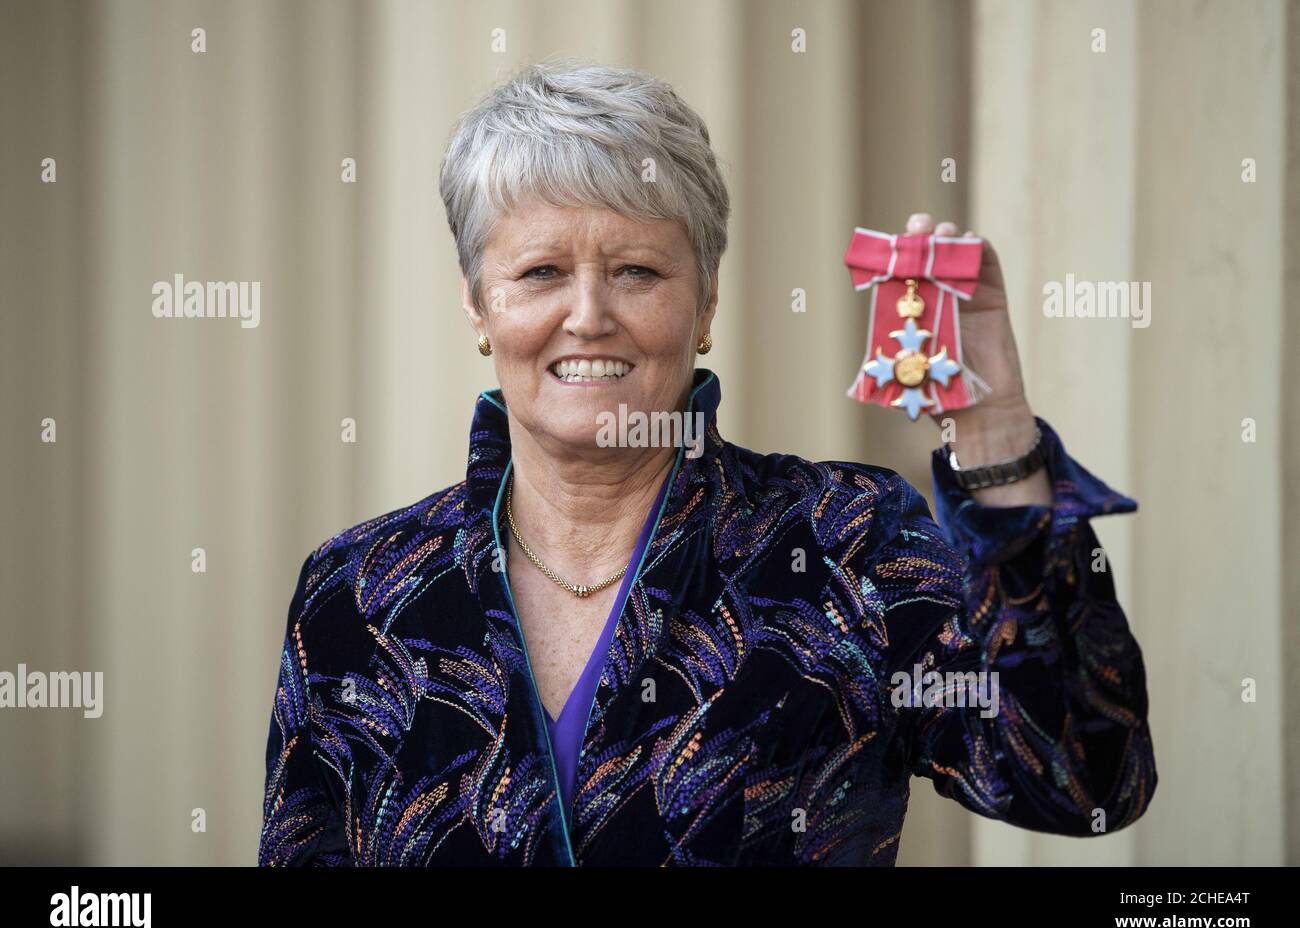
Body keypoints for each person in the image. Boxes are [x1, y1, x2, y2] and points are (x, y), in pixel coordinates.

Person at [258, 59, 1155, 866]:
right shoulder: (358, 594)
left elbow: (1086, 782)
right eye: (540, 273)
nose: (589, 316)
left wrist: (994, 429)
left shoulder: (849, 544)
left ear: (708, 301)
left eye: (637, 272)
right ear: (478, 306)